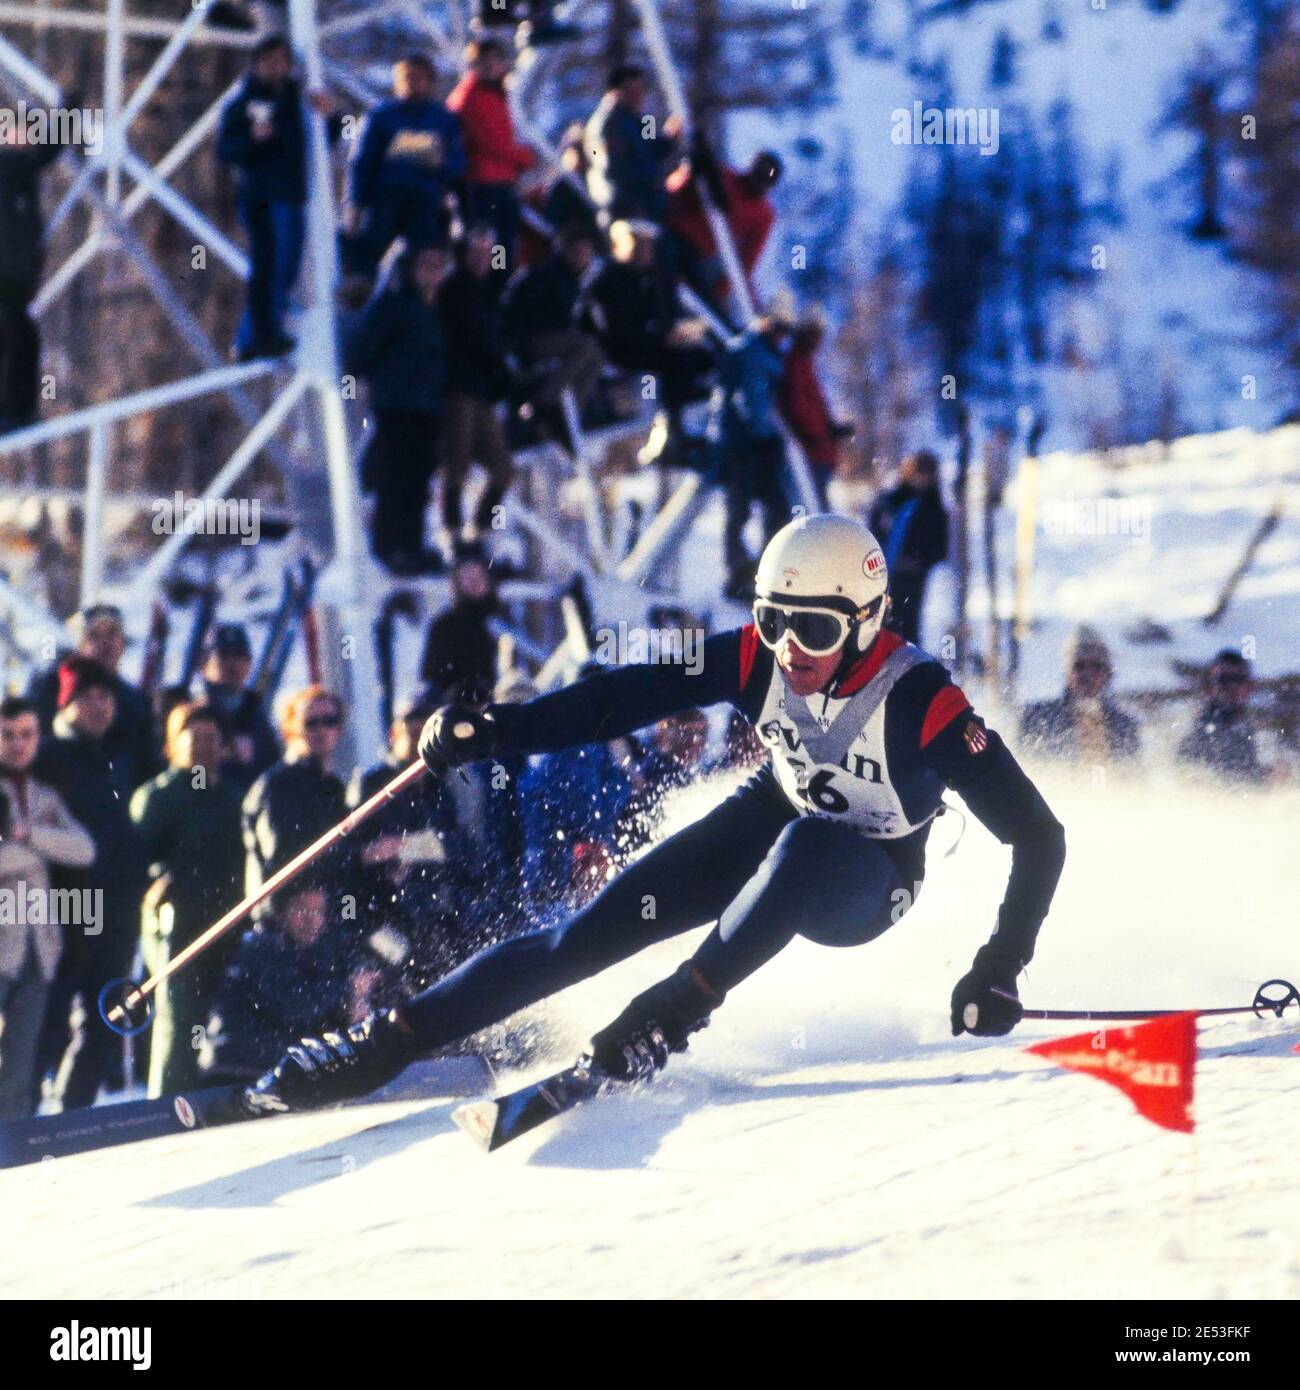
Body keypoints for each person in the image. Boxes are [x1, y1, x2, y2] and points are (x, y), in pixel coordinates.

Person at [243, 514, 1067, 1114]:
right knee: (590, 933)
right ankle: (380, 1045)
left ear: (868, 619)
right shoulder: (755, 654)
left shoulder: (923, 699)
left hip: (869, 873)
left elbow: (1038, 834)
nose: (789, 647)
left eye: (812, 626)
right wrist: (497, 729)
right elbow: (622, 698)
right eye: (773, 620)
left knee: (811, 841)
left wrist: (1000, 964)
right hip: (771, 822)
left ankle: (670, 1013)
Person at [33, 658, 149, 1111]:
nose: (100, 707)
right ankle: (16, 1120)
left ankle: (71, 1115)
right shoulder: (46, 757)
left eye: (106, 697)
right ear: (67, 704)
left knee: (105, 1019)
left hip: (117, 907)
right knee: (48, 1019)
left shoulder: (117, 755)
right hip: (68, 908)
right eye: (88, 698)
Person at [130, 702, 245, 1097]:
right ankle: (165, 1109)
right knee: (180, 1025)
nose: (204, 746)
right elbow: (131, 859)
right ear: (173, 744)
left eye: (212, 738)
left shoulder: (233, 795)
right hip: (177, 928)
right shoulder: (158, 797)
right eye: (193, 737)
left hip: (230, 924)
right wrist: (154, 881)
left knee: (226, 1025)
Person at [0, 697, 95, 1120]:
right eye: (8, 735)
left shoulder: (43, 795)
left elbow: (84, 849)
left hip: (37, 948)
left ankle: (13, 1162)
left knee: (20, 1073)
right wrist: (38, 852)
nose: (18, 744)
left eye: (27, 734)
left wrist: (26, 835)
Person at [200, 886, 380, 1086]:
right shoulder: (262, 946)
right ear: (279, 912)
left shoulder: (309, 956)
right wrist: (348, 988)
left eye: (319, 911)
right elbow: (293, 1004)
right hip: (239, 1069)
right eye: (301, 909)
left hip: (270, 1071)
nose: (311, 920)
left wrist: (349, 1011)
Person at [217, 36, 327, 361]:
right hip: (260, 196)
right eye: (269, 60)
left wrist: (327, 115)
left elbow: (323, 138)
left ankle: (250, 338)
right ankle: (260, 337)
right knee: (271, 265)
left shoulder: (296, 100)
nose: (275, 67)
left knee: (285, 265)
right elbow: (226, 149)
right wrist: (252, 139)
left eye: (282, 61)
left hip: (291, 194)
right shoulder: (243, 102)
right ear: (256, 62)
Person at [347, 243, 452, 573]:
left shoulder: (437, 309)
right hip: (398, 403)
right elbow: (362, 350)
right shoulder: (394, 305)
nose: (432, 274)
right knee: (396, 477)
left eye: (439, 266)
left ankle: (411, 546)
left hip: (429, 407)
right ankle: (389, 546)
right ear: (412, 269)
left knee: (419, 479)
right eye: (426, 265)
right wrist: (377, 373)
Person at [580, 218, 714, 427]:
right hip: (623, 351)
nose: (645, 251)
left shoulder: (657, 277)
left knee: (700, 355)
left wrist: (678, 331)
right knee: (658, 371)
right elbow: (613, 328)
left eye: (648, 245)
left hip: (655, 343)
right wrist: (658, 337)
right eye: (638, 244)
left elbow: (667, 314)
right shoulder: (607, 280)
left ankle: (687, 418)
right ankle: (666, 423)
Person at [343, 55, 465, 283]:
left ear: (430, 81)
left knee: (419, 261)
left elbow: (458, 163)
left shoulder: (444, 119)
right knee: (366, 258)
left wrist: (440, 164)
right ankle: (361, 298)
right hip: (385, 199)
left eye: (418, 77)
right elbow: (362, 163)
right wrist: (354, 203)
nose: (412, 82)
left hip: (425, 201)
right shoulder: (381, 116)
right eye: (407, 77)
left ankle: (413, 303)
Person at [437, 225, 515, 550]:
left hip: (480, 389)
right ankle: (453, 534)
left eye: (489, 253)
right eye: (477, 252)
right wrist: (501, 363)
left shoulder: (489, 289)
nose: (484, 259)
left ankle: (481, 529)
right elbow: (476, 336)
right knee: (457, 464)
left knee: (503, 468)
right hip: (457, 386)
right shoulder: (454, 289)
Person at [29, 603, 161, 795]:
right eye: (94, 636)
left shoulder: (137, 702)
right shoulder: (50, 688)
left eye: (112, 634)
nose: (104, 643)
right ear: (80, 644)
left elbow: (146, 767)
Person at [242, 685, 348, 916]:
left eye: (329, 721)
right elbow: (283, 857)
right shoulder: (276, 785)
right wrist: (359, 856)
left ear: (338, 729)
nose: (321, 730)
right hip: (284, 919)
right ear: (289, 730)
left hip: (324, 917)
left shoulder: (333, 787)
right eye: (310, 723)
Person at [715, 304, 796, 599]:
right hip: (743, 444)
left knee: (774, 509)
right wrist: (765, 434)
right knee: (740, 508)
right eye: (779, 329)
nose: (782, 336)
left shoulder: (765, 351)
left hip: (752, 443)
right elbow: (749, 399)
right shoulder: (752, 350)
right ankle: (739, 574)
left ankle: (763, 569)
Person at [499, 223, 604, 446]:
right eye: (578, 252)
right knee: (585, 347)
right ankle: (547, 404)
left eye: (587, 253)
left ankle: (570, 412)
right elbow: (530, 315)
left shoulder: (577, 281)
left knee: (595, 355)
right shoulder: (548, 276)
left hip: (553, 337)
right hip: (529, 339)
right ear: (565, 252)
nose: (583, 258)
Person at [445, 38, 536, 270]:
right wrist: (524, 158)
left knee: (504, 245)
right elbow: (489, 143)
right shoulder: (471, 96)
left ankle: (499, 282)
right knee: (486, 243)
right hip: (481, 183)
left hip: (501, 181)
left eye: (496, 61)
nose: (491, 66)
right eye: (484, 61)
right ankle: (486, 284)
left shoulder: (496, 94)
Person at [666, 140, 781, 312]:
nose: (760, 183)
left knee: (699, 303)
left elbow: (747, 259)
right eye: (759, 175)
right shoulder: (723, 176)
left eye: (766, 180)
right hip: (672, 235)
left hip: (698, 256)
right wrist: (687, 174)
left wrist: (721, 290)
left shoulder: (764, 215)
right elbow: (674, 191)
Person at [0, 115, 60, 431]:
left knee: (23, 337)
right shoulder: (9, 167)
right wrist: (70, 116)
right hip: (7, 275)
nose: (24, 140)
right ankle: (12, 412)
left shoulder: (21, 172)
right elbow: (45, 153)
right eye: (18, 133)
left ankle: (19, 411)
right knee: (13, 336)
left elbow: (44, 153)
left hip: (17, 277)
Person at [1019, 626, 1141, 767]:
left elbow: (1135, 778)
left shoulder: (1124, 727)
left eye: (1097, 666)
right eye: (1079, 666)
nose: (1088, 674)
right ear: (1067, 672)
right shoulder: (1038, 719)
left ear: (1108, 673)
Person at [868, 450, 951, 646]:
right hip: (883, 571)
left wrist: (919, 561)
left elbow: (939, 546)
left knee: (907, 624)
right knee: (880, 622)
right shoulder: (891, 500)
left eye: (926, 474)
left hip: (913, 577)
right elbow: (874, 530)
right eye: (918, 472)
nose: (921, 479)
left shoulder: (934, 508)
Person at [584, 64, 681, 225]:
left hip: (650, 204)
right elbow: (611, 167)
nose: (638, 96)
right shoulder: (607, 123)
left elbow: (652, 150)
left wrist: (669, 138)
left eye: (641, 90)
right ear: (615, 92)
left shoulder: (644, 119)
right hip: (626, 207)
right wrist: (649, 180)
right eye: (631, 91)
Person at [779, 303, 853, 505]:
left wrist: (832, 428)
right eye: (815, 333)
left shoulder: (805, 362)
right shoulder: (796, 362)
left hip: (819, 450)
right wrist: (819, 435)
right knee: (815, 510)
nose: (819, 340)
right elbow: (799, 405)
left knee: (818, 507)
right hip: (812, 452)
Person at [196, 622, 281, 792]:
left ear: (249, 664)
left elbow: (272, 769)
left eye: (239, 655)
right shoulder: (194, 716)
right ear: (204, 666)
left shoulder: (257, 713)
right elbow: (194, 785)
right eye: (223, 656)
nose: (232, 663)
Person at [419, 549, 499, 704]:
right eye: (467, 578)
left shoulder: (501, 622)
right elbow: (431, 677)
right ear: (457, 583)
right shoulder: (444, 626)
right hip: (457, 712)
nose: (474, 582)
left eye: (478, 576)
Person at [1176, 649, 1266, 783]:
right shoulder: (1188, 726)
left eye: (1238, 679)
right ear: (1208, 686)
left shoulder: (1264, 727)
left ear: (1250, 685)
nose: (1232, 687)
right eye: (1224, 680)